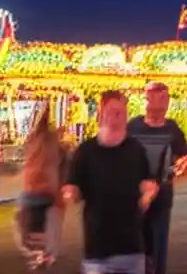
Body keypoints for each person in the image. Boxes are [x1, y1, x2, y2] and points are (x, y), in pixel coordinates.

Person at [64, 90, 158, 274]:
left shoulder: (136, 150)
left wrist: (148, 195)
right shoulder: (86, 152)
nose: (116, 118)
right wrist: (69, 193)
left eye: (120, 113)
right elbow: (73, 186)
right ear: (101, 115)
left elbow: (147, 183)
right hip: (97, 251)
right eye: (110, 113)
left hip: (131, 248)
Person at [127, 82, 187, 274]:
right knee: (136, 246)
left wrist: (177, 169)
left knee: (159, 246)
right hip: (136, 197)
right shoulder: (133, 127)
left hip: (162, 196)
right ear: (148, 98)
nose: (165, 102)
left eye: (166, 98)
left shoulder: (172, 129)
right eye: (160, 97)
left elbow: (185, 157)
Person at [15, 106, 68, 271]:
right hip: (47, 192)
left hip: (31, 192)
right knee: (49, 226)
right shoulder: (52, 141)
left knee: (28, 225)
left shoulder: (32, 140)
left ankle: (38, 255)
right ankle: (44, 255)